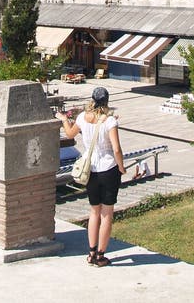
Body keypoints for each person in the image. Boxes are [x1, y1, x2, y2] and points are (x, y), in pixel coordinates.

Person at [56, 86, 126, 266]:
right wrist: (122, 167)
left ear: (93, 100)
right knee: (107, 213)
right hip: (108, 168)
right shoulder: (110, 121)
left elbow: (70, 133)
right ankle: (101, 255)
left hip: (91, 169)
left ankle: (91, 252)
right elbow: (116, 149)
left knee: (94, 211)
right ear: (107, 101)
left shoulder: (82, 118)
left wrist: (64, 119)